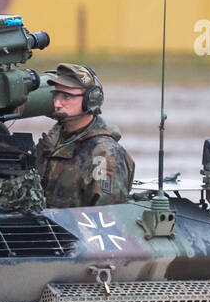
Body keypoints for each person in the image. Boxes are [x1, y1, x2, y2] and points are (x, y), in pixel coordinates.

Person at [34, 64, 135, 208]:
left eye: (66, 97)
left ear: (90, 99)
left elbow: (107, 217)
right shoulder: (54, 141)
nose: (57, 103)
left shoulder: (104, 154)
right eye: (56, 95)